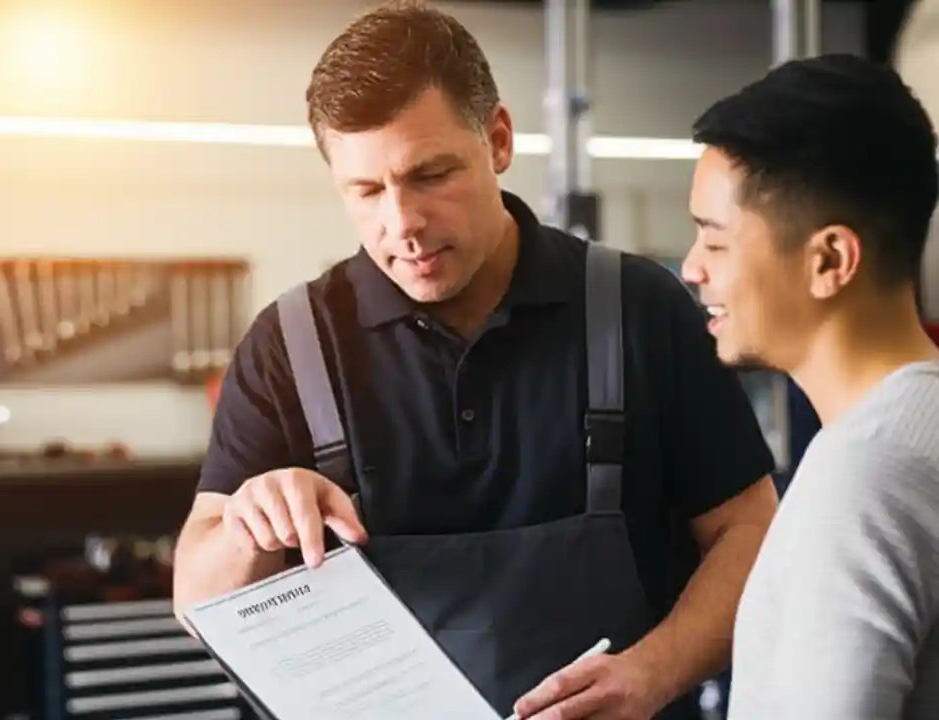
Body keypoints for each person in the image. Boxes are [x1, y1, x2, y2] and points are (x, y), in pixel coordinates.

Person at [173, 2, 778, 718]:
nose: (403, 224)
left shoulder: (639, 310)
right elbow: (196, 603)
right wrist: (248, 527)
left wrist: (654, 672)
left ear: (497, 140)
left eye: (430, 175)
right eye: (366, 191)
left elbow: (752, 533)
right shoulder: (289, 346)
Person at [682, 54, 939, 719]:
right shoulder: (918, 427)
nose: (691, 268)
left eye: (715, 242)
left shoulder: (864, 479)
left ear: (829, 260)